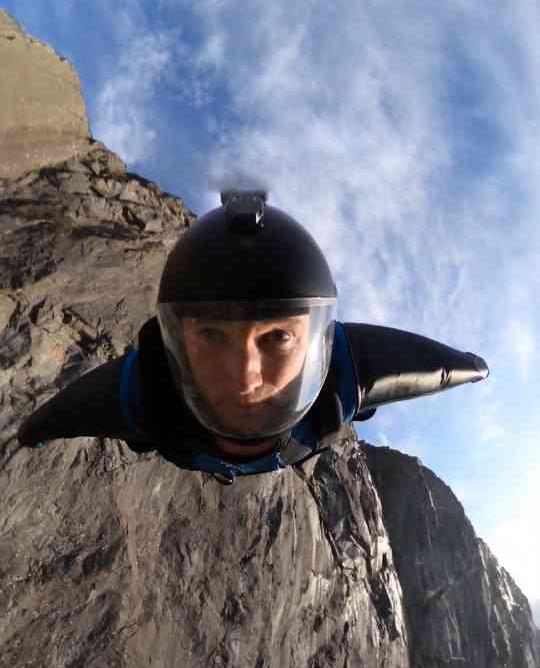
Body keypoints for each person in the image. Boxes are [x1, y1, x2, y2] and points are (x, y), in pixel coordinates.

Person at [17, 191, 489, 485]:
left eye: (279, 336)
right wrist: (474, 368)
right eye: (212, 335)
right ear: (174, 344)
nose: (245, 378)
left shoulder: (140, 401)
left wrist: (33, 433)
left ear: (315, 345)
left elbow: (442, 370)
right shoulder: (148, 390)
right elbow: (441, 369)